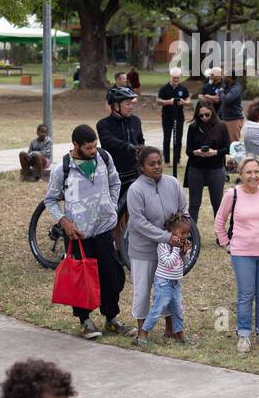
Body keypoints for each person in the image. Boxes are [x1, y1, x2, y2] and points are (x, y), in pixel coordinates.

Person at [43, 124, 129, 339]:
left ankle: (111, 319)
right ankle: (85, 321)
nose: (93, 151)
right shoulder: (62, 169)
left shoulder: (104, 157)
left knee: (112, 275)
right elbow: (51, 200)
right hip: (77, 234)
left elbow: (115, 182)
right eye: (89, 148)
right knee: (82, 278)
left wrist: (109, 204)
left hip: (103, 228)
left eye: (95, 146)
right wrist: (65, 223)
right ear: (75, 145)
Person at [215, 157, 259, 352]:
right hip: (242, 254)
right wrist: (227, 244)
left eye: (257, 172)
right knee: (246, 294)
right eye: (248, 172)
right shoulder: (232, 194)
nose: (253, 176)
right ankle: (243, 334)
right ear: (241, 174)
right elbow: (219, 222)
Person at [125, 147, 187, 339]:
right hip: (143, 250)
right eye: (151, 164)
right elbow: (138, 223)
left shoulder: (173, 183)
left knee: (169, 288)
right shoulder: (135, 190)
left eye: (159, 162)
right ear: (142, 167)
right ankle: (142, 332)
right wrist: (166, 237)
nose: (157, 166)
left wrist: (183, 238)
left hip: (171, 250)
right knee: (142, 292)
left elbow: (183, 212)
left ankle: (171, 329)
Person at [137, 212, 195, 346]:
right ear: (172, 231)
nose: (185, 236)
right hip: (163, 282)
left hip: (175, 283)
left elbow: (183, 263)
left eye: (187, 233)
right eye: (182, 233)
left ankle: (179, 333)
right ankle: (143, 332)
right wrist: (176, 249)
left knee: (178, 309)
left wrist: (184, 252)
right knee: (158, 309)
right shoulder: (163, 245)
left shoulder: (179, 245)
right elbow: (168, 263)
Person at [184, 102, 230, 224]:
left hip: (215, 168)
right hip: (196, 168)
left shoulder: (221, 126)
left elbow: (227, 148)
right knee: (194, 203)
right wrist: (196, 152)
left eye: (207, 115)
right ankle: (191, 234)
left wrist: (215, 152)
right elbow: (188, 150)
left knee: (217, 203)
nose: (204, 118)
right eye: (201, 115)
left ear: (212, 113)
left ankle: (220, 234)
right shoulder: (193, 127)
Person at [97, 86, 144, 202]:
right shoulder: (103, 124)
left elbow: (140, 140)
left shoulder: (136, 121)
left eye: (131, 103)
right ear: (116, 106)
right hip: (114, 174)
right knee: (116, 208)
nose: (131, 107)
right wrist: (129, 146)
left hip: (134, 172)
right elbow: (109, 141)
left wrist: (142, 150)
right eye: (127, 104)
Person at [156, 67, 192, 177]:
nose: (176, 79)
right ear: (170, 77)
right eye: (174, 77)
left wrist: (184, 103)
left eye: (177, 78)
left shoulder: (183, 89)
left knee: (178, 139)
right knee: (167, 138)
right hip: (167, 117)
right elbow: (158, 101)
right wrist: (169, 102)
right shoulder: (164, 88)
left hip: (179, 117)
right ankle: (166, 161)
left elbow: (188, 101)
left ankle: (177, 160)